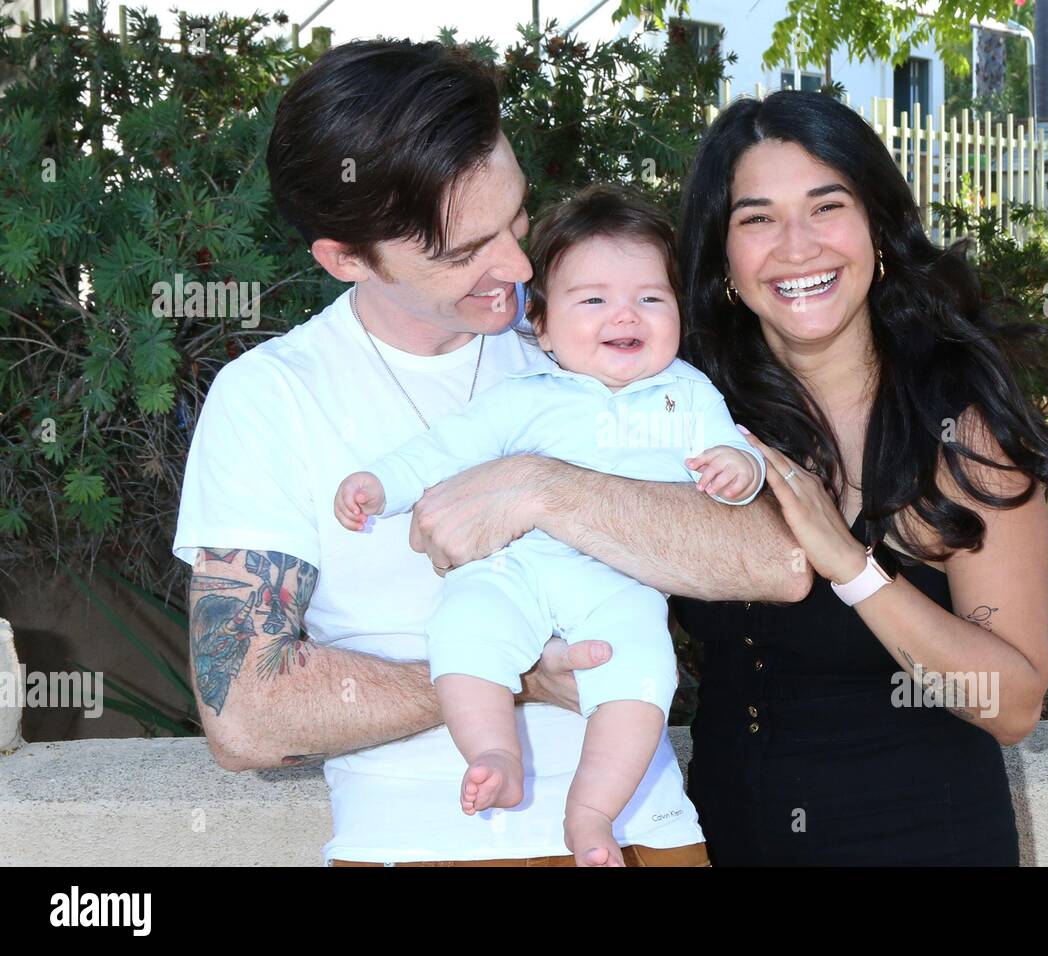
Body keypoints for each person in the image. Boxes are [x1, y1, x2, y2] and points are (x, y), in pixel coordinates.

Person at [172, 40, 809, 868]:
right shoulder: (272, 396)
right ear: (343, 259)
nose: (516, 268)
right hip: (421, 844)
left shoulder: (593, 328)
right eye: (463, 251)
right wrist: (516, 678)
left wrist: (543, 490)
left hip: (647, 834)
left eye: (516, 220)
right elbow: (246, 715)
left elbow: (780, 562)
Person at [668, 90, 1048, 865]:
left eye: (826, 206)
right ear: (726, 261)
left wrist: (851, 564)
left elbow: (1012, 705)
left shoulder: (960, 428)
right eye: (757, 217)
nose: (797, 246)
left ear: (877, 227)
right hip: (727, 835)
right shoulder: (691, 416)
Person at [332, 185, 764, 866]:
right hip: (518, 569)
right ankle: (493, 751)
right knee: (463, 625)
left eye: (651, 298)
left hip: (620, 583)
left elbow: (732, 456)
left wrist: (741, 470)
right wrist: (379, 484)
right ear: (540, 321)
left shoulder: (688, 393)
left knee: (643, 671)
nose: (625, 313)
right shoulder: (524, 396)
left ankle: (591, 815)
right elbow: (443, 451)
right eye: (592, 299)